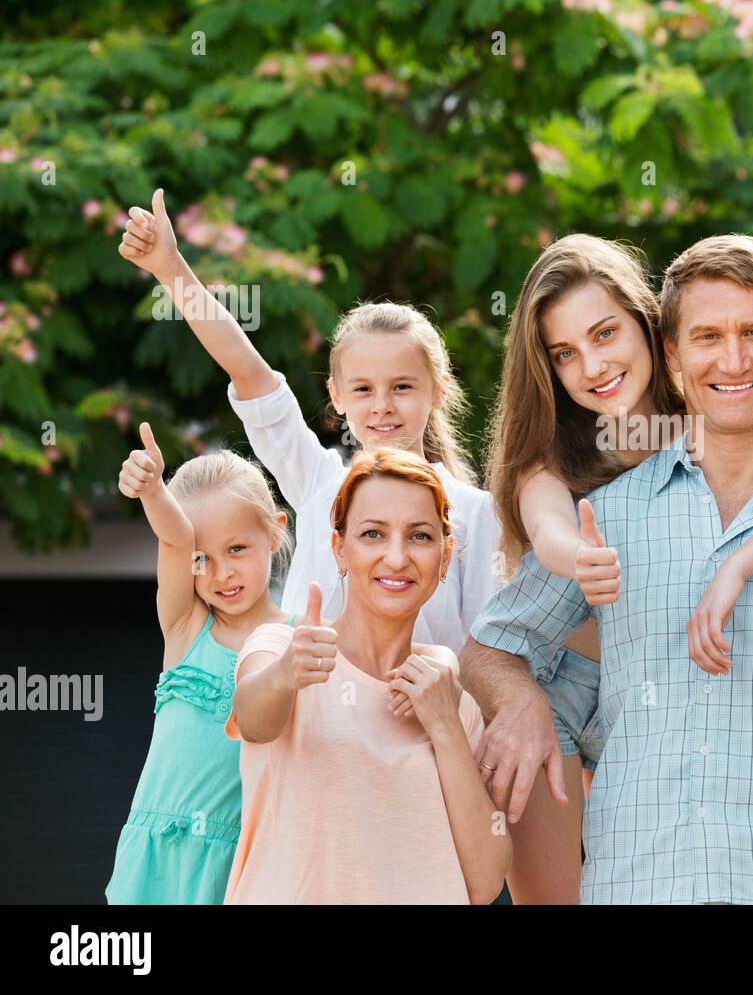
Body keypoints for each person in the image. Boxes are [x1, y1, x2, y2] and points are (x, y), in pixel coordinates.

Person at [463, 234, 753, 904]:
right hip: (568, 687)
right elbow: (533, 572)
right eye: (565, 353)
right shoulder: (580, 484)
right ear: (678, 348)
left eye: (606, 333)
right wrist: (530, 672)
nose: (593, 365)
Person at [116, 190, 500, 646]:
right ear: (336, 396)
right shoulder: (319, 483)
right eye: (362, 389)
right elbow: (247, 369)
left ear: (437, 391)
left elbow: (484, 650)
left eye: (402, 386)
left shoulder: (474, 513)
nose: (382, 405)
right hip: (306, 712)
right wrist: (170, 268)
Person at [223, 448, 510, 904]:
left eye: (419, 536)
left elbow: (485, 880)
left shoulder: (452, 701)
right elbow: (254, 720)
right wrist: (284, 676)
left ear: (445, 554)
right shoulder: (282, 648)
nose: (396, 558)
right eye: (373, 534)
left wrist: (446, 727)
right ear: (339, 547)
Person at [105, 426, 291, 904]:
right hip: (156, 854)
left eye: (236, 549)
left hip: (238, 864)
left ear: (275, 532)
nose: (220, 573)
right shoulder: (186, 626)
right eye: (201, 559)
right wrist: (153, 492)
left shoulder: (295, 641)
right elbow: (174, 539)